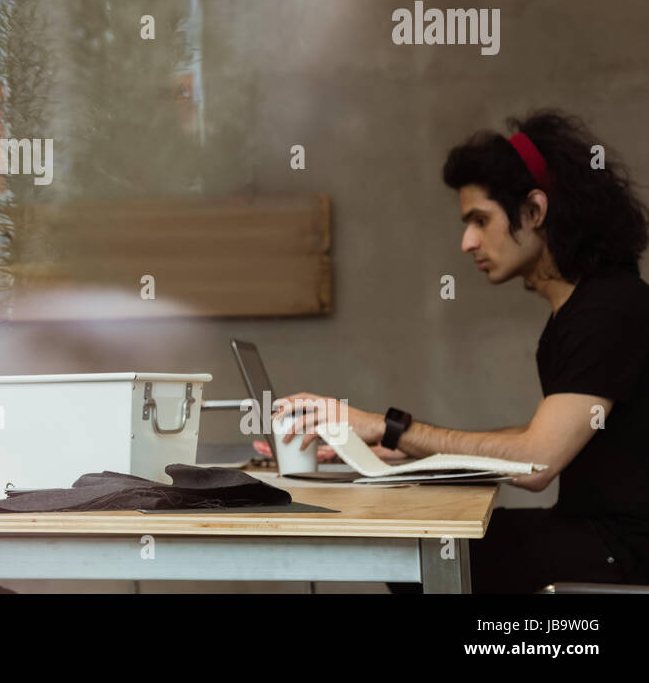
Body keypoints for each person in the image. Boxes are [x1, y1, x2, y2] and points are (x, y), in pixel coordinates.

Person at [277, 110, 649, 593]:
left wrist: (390, 425)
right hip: (598, 538)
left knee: (418, 558)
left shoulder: (608, 309)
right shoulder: (584, 309)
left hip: (623, 552)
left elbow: (536, 460)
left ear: (535, 212)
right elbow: (542, 434)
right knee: (417, 549)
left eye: (480, 220)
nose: (467, 241)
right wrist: (400, 450)